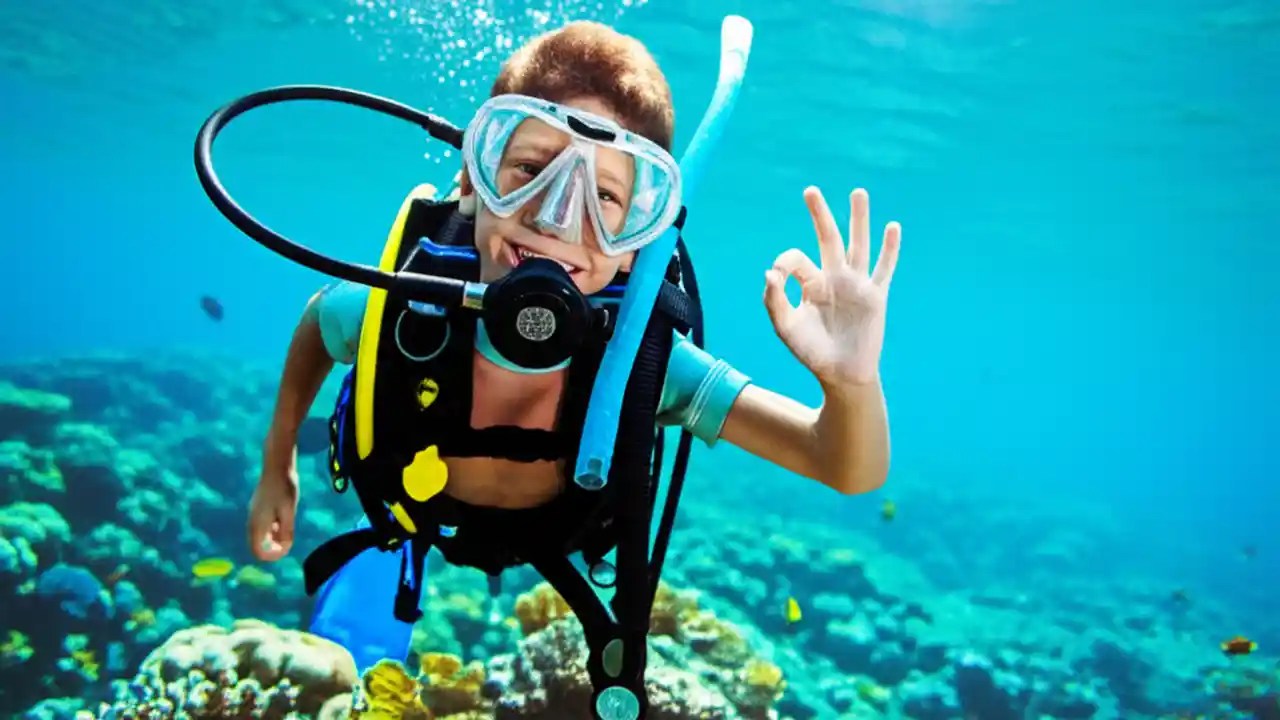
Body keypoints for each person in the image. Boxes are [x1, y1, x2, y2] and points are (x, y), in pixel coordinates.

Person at [245, 19, 900, 718]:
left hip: (563, 545)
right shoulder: (408, 313)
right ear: (473, 176)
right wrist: (276, 462)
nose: (558, 219)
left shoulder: (646, 367)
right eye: (529, 171)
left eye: (608, 199)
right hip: (413, 512)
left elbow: (845, 466)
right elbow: (319, 320)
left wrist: (850, 382)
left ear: (640, 240)